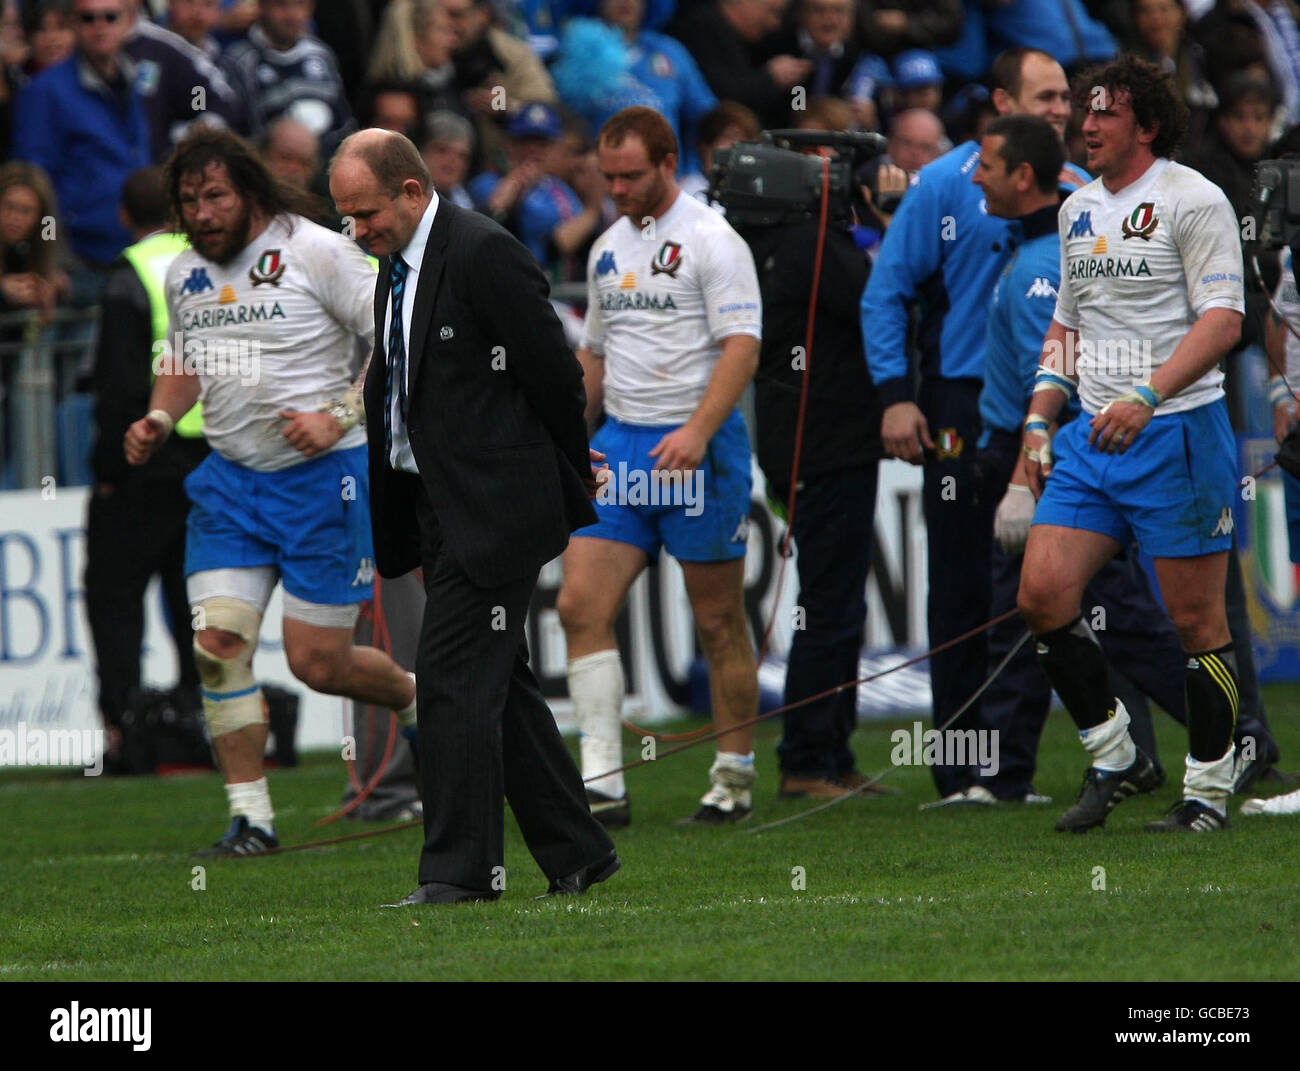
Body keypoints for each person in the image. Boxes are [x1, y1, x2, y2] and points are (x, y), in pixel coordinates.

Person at [327, 127, 618, 905]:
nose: (357, 231)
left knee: (452, 682)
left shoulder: (483, 251)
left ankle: (459, 872)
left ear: (412, 192)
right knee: (504, 687)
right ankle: (578, 849)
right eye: (347, 219)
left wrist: (571, 457)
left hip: (495, 507)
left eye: (364, 214)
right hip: (434, 506)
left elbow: (553, 369)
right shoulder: (396, 264)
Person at [123, 127, 419, 856]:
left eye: (215, 196)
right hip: (230, 484)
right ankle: (251, 817)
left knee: (321, 664)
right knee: (218, 646)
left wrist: (338, 416)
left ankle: (422, 700)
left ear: (249, 191)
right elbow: (185, 358)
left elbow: (391, 335)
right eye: (189, 201)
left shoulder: (316, 249)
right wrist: (162, 414)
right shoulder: (184, 272)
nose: (201, 214)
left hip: (326, 481)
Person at [1017, 55, 1245, 833]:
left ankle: (1208, 792)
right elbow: (1068, 326)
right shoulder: (1076, 209)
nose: (1086, 124)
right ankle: (1118, 754)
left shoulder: (1194, 199)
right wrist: (1041, 416)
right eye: (1084, 110)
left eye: (1104, 112)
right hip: (1089, 437)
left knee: (1196, 622)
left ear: (1145, 125)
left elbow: (1224, 322)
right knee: (1041, 594)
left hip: (1176, 431)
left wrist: (1149, 396)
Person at [860, 47, 1083, 806]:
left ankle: (1082, 757)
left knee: (1071, 581)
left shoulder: (1085, 190)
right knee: (961, 580)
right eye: (1044, 96)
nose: (1059, 109)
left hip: (1063, 406)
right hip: (962, 408)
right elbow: (885, 291)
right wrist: (896, 393)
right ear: (1001, 99)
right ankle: (963, 771)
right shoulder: (945, 183)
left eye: (1065, 97)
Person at [970, 114, 1192, 803]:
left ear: (1022, 176)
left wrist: (1023, 476)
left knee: (1122, 622)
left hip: (1062, 462)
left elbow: (1063, 379)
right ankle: (1015, 774)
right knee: (1046, 616)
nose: (975, 175)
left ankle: (1235, 736)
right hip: (1046, 457)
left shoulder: (1045, 263)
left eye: (985, 164)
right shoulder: (1032, 249)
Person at [557, 106, 763, 827]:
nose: (618, 189)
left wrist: (700, 431)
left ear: (669, 164)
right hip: (622, 446)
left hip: (698, 446)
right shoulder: (608, 246)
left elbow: (742, 346)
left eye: (631, 176)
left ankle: (733, 774)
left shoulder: (713, 239)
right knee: (579, 606)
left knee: (716, 619)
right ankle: (603, 781)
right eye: (607, 176)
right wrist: (569, 435)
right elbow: (597, 355)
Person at [740, 171, 886, 799]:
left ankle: (832, 751)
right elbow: (876, 299)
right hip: (824, 445)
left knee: (839, 603)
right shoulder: (808, 244)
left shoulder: (780, 243)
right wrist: (882, 228)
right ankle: (805, 760)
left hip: (813, 442)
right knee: (829, 604)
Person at [86, 166, 207, 767]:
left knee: (115, 599)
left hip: (141, 459)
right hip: (205, 460)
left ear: (123, 215)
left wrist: (108, 467)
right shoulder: (207, 261)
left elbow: (117, 382)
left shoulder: (130, 271)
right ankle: (202, 722)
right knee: (199, 603)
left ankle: (125, 730)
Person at [13, 0, 150, 270]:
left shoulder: (134, 79)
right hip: (80, 259)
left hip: (137, 249)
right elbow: (33, 183)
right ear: (74, 24)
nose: (100, 27)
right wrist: (48, 260)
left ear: (129, 22)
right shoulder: (44, 91)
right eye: (88, 18)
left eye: (110, 17)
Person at [220, 0, 355, 157]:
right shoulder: (240, 61)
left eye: (300, 4)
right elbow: (242, 134)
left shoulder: (322, 55)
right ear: (261, 7)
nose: (292, 15)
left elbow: (343, 123)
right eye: (281, 5)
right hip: (269, 168)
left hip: (326, 166)